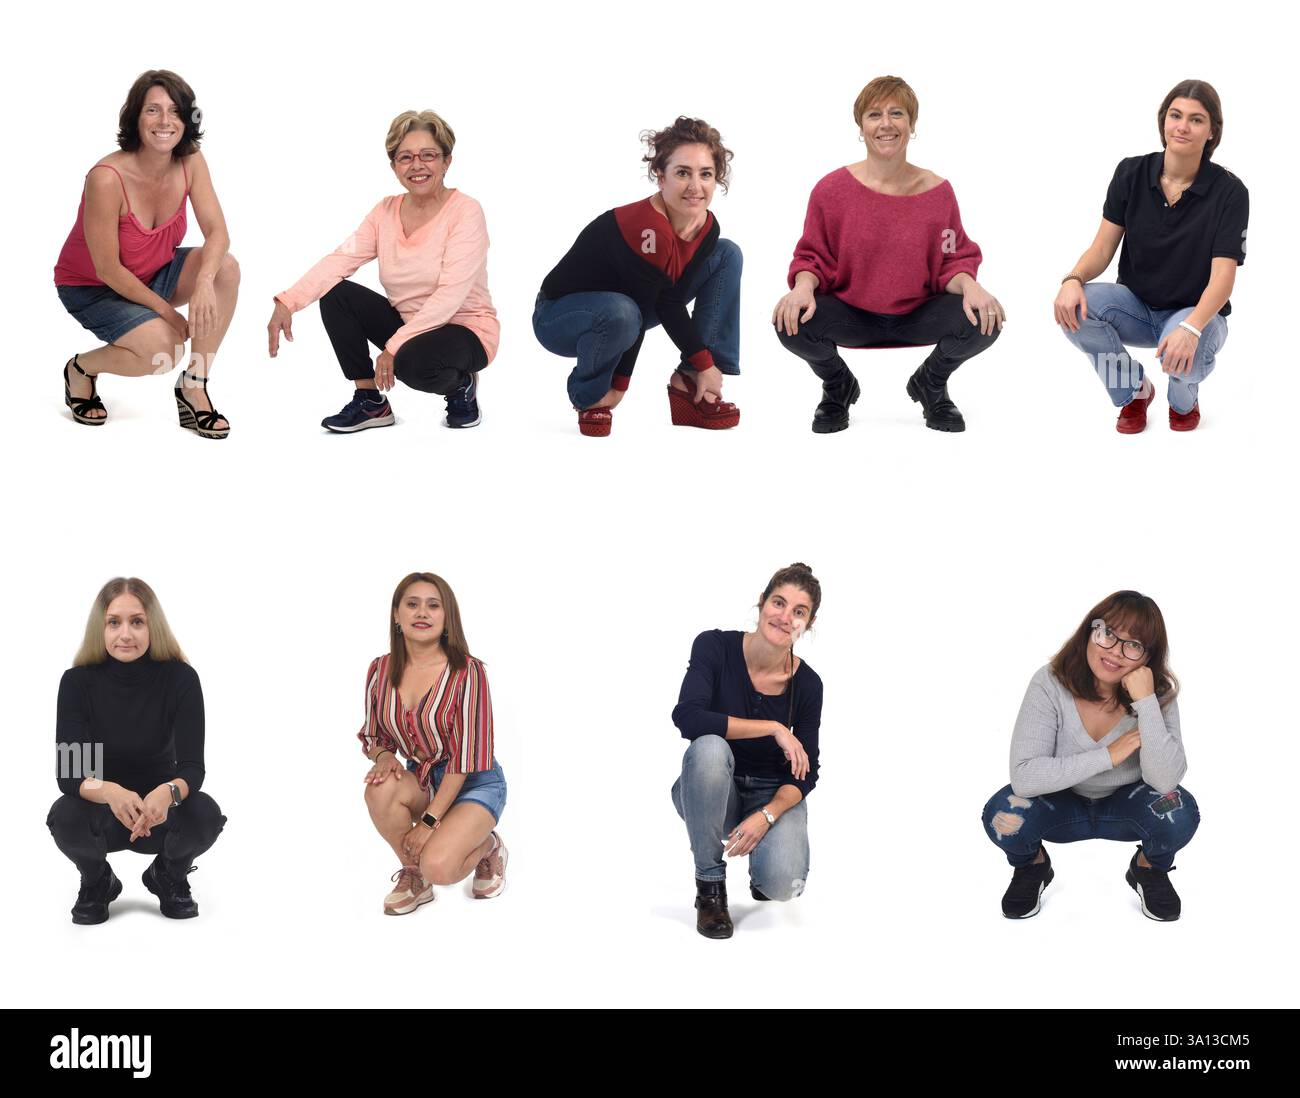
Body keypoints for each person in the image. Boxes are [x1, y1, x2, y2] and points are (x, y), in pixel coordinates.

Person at [773, 76, 1003, 433]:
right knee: (789, 322)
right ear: (860, 127)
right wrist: (802, 287)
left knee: (986, 318)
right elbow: (813, 255)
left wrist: (971, 285)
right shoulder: (830, 190)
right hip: (853, 314)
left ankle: (932, 383)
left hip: (918, 314)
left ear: (911, 124)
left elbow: (952, 259)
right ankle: (837, 386)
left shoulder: (938, 193)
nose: (886, 124)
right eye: (874, 114)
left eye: (896, 113)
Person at [269, 111, 498, 433]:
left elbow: (450, 295)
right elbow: (340, 260)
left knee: (411, 363)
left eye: (428, 155)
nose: (417, 165)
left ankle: (460, 387)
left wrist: (393, 348)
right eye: (405, 157)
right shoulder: (385, 211)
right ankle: (370, 401)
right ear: (394, 167)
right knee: (335, 293)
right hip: (409, 325)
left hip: (464, 329)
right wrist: (287, 302)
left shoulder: (465, 211)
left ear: (446, 162)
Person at [980, 591, 1198, 922]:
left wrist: (1146, 703)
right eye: (1107, 633)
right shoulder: (1050, 683)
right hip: (1060, 803)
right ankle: (1032, 866)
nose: (1115, 651)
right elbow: (1024, 777)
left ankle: (1149, 868)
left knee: (1180, 811)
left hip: (1127, 806)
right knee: (1002, 817)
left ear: (1147, 658)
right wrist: (1108, 756)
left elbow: (1166, 780)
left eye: (1133, 644)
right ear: (1089, 631)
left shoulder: (1156, 695)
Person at [1054, 79, 1248, 433]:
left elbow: (1223, 278)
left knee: (1187, 356)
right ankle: (1134, 391)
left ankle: (1182, 398)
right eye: (1175, 115)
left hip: (1197, 314)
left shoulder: (1230, 192)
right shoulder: (1131, 173)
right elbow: (1101, 249)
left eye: (1196, 119)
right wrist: (1072, 280)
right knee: (1079, 306)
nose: (1182, 126)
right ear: (1163, 121)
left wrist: (1190, 328)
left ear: (1211, 132)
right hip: (1138, 307)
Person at [55, 70, 238, 439]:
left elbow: (218, 232)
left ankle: (195, 383)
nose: (165, 122)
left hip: (152, 273)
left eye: (175, 111)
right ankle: (81, 369)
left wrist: (203, 281)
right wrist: (170, 314)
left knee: (225, 270)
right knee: (163, 352)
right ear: (135, 118)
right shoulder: (106, 178)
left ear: (188, 119)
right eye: (152, 110)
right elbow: (108, 269)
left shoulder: (191, 162)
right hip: (94, 287)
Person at [533, 117, 741, 436]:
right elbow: (651, 309)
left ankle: (691, 382)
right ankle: (588, 395)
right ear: (660, 176)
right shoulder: (648, 229)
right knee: (624, 311)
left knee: (727, 254)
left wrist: (700, 364)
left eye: (706, 174)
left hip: (629, 310)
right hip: (560, 316)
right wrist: (619, 387)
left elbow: (669, 298)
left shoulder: (706, 226)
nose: (695, 187)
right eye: (682, 173)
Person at [46, 578, 226, 924]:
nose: (125, 634)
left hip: (158, 813)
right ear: (101, 627)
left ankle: (168, 874)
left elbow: (192, 768)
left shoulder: (180, 679)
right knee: (64, 816)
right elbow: (71, 775)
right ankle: (97, 881)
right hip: (102, 812)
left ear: (152, 626)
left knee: (206, 814)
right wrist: (110, 792)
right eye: (114, 622)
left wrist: (167, 793)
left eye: (137, 621)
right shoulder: (78, 682)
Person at [670, 563, 824, 939]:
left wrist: (767, 816)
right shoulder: (714, 646)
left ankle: (764, 865)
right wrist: (773, 728)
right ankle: (709, 886)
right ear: (762, 603)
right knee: (707, 747)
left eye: (799, 612)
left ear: (808, 624)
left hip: (770, 794)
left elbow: (806, 771)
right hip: (713, 789)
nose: (785, 617)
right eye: (779, 602)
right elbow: (688, 718)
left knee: (783, 885)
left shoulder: (808, 685)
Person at [358, 573, 508, 914]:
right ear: (397, 615)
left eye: (433, 605)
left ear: (446, 617)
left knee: (440, 867)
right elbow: (373, 736)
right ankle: (414, 876)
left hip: (474, 783)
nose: (422, 613)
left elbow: (466, 757)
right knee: (380, 788)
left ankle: (487, 847)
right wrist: (382, 755)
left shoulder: (469, 672)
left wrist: (427, 823)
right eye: (412, 604)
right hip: (423, 779)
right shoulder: (380, 670)